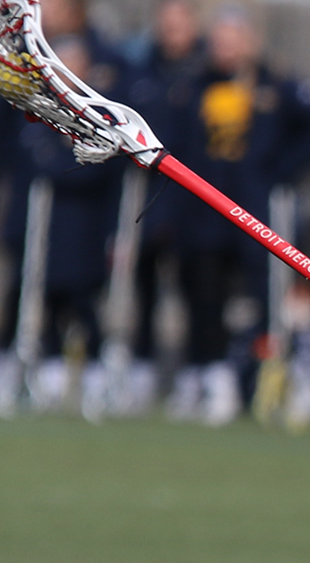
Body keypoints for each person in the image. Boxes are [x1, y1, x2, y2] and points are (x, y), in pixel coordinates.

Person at [169, 3, 310, 425]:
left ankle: (282, 378)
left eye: (235, 38)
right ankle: (210, 378)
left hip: (257, 212)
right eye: (220, 39)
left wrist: (281, 170)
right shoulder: (194, 85)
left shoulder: (275, 85)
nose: (227, 48)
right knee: (205, 296)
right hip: (205, 212)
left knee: (269, 296)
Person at [0, 37, 125, 406]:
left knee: (83, 300)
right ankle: (43, 376)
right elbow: (27, 161)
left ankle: (98, 378)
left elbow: (98, 169)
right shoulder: (34, 107)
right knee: (37, 295)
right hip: (38, 220)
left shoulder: (99, 111)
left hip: (85, 225)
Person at [121, 0, 204, 390]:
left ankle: (195, 370)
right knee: (144, 284)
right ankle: (140, 366)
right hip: (148, 195)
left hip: (193, 197)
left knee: (195, 286)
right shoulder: (139, 69)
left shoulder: (206, 71)